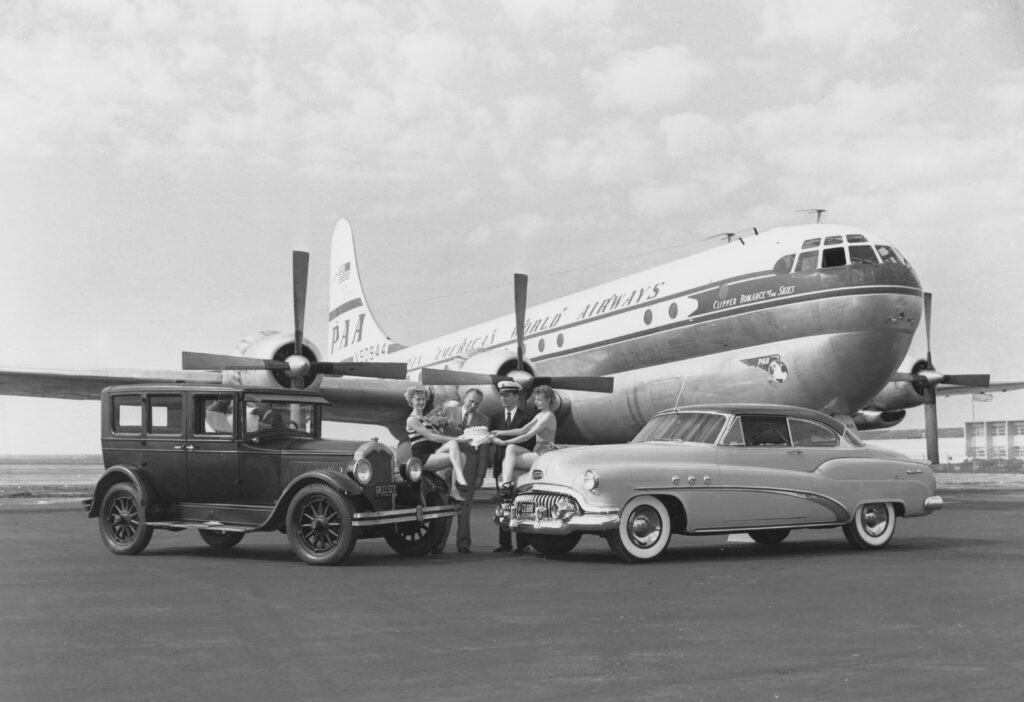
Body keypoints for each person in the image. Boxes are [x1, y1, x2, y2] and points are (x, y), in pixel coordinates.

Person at [433, 388, 489, 554]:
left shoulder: (484, 420)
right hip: (445, 466)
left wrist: (481, 475)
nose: (473, 405)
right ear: (464, 398)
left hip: (469, 469)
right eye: (471, 401)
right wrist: (442, 421)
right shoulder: (448, 410)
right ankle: (437, 544)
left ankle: (463, 544)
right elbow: (428, 419)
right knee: (441, 505)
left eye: (477, 403)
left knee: (464, 507)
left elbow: (484, 450)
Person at [488, 380, 535, 553]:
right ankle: (504, 543)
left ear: (516, 396)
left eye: (507, 395)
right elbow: (490, 438)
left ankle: (523, 544)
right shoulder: (496, 418)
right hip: (501, 466)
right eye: (502, 395)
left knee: (520, 503)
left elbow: (529, 441)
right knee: (504, 504)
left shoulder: (527, 418)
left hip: (519, 467)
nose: (504, 399)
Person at [404, 386, 470, 502]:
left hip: (432, 454)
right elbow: (432, 437)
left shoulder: (425, 419)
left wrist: (444, 422)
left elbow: (439, 434)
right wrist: (460, 440)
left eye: (423, 399)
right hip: (421, 458)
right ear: (411, 401)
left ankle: (454, 490)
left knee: (461, 454)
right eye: (418, 399)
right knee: (456, 447)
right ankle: (459, 479)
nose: (421, 402)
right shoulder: (412, 419)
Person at [492, 384, 558, 491]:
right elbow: (521, 430)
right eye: (536, 399)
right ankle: (507, 483)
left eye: (540, 400)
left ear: (549, 400)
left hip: (544, 454)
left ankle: (506, 484)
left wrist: (503, 443)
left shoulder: (548, 416)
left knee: (507, 460)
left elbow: (526, 436)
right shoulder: (540, 415)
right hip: (536, 452)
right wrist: (499, 432)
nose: (536, 402)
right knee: (511, 448)